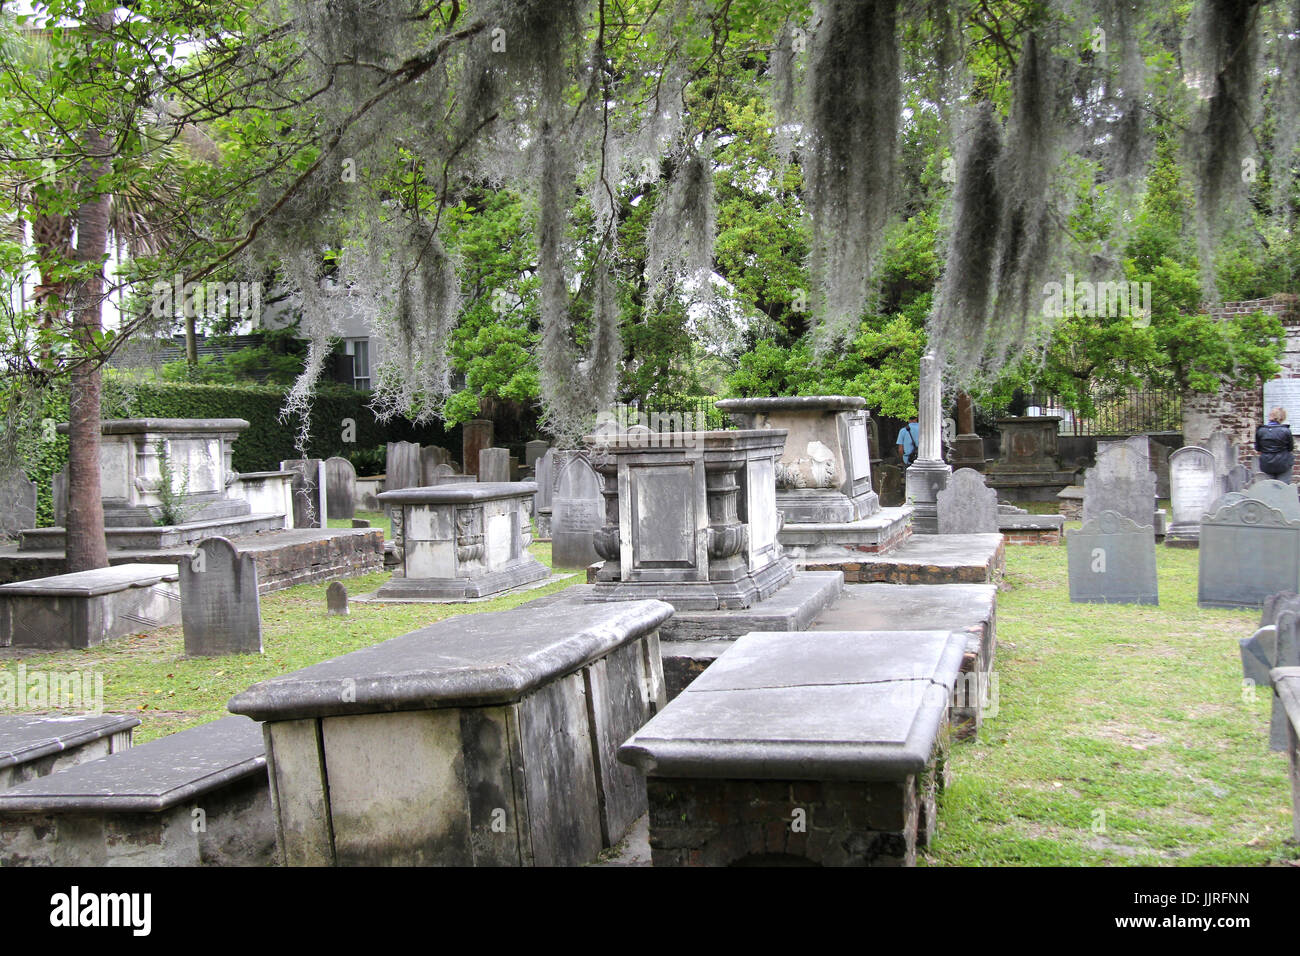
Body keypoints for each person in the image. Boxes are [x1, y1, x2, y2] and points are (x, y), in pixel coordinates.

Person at [1255, 407, 1295, 483]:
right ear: (1282, 417)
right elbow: (1290, 448)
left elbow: (1258, 448)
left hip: (1267, 463)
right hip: (1283, 463)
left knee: (1270, 488)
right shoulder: (1286, 431)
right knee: (1283, 488)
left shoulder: (1260, 431)